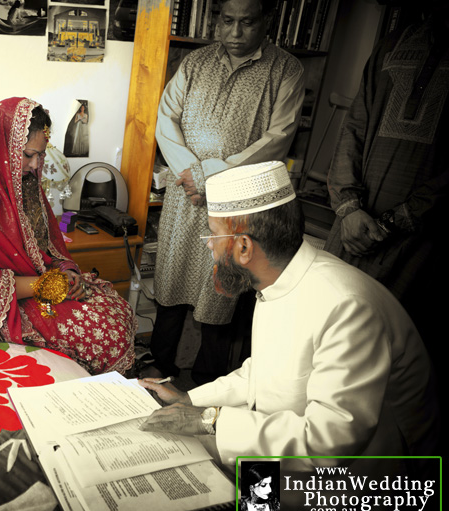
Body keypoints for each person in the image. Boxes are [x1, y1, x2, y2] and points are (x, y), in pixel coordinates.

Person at [140, 161, 439, 475]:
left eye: (213, 237)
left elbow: (330, 444)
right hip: (283, 451)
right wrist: (190, 399)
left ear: (243, 246)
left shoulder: (347, 308)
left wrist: (208, 418)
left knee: (214, 501)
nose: (210, 249)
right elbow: (265, 373)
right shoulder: (280, 281)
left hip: (355, 489)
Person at [149, 0, 305, 384]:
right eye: (227, 20)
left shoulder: (286, 69)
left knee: (222, 288)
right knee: (170, 284)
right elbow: (165, 119)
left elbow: (277, 139)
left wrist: (208, 175)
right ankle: (159, 369)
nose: (235, 33)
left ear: (266, 21)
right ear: (216, 19)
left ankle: (208, 382)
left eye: (247, 23)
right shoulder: (194, 63)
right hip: (184, 196)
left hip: (236, 201)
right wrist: (191, 174)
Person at [0, 97, 136, 375]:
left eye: (41, 154)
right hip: (1, 303)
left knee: (117, 308)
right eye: (28, 155)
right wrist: (45, 284)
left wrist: (67, 272)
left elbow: (48, 245)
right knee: (103, 332)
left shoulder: (21, 182)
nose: (36, 165)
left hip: (35, 282)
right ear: (2, 147)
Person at [324, 6, 448, 365]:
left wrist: (394, 222)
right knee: (324, 324)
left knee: (386, 353)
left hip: (419, 240)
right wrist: (347, 207)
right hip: (352, 225)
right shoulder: (393, 44)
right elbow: (353, 127)